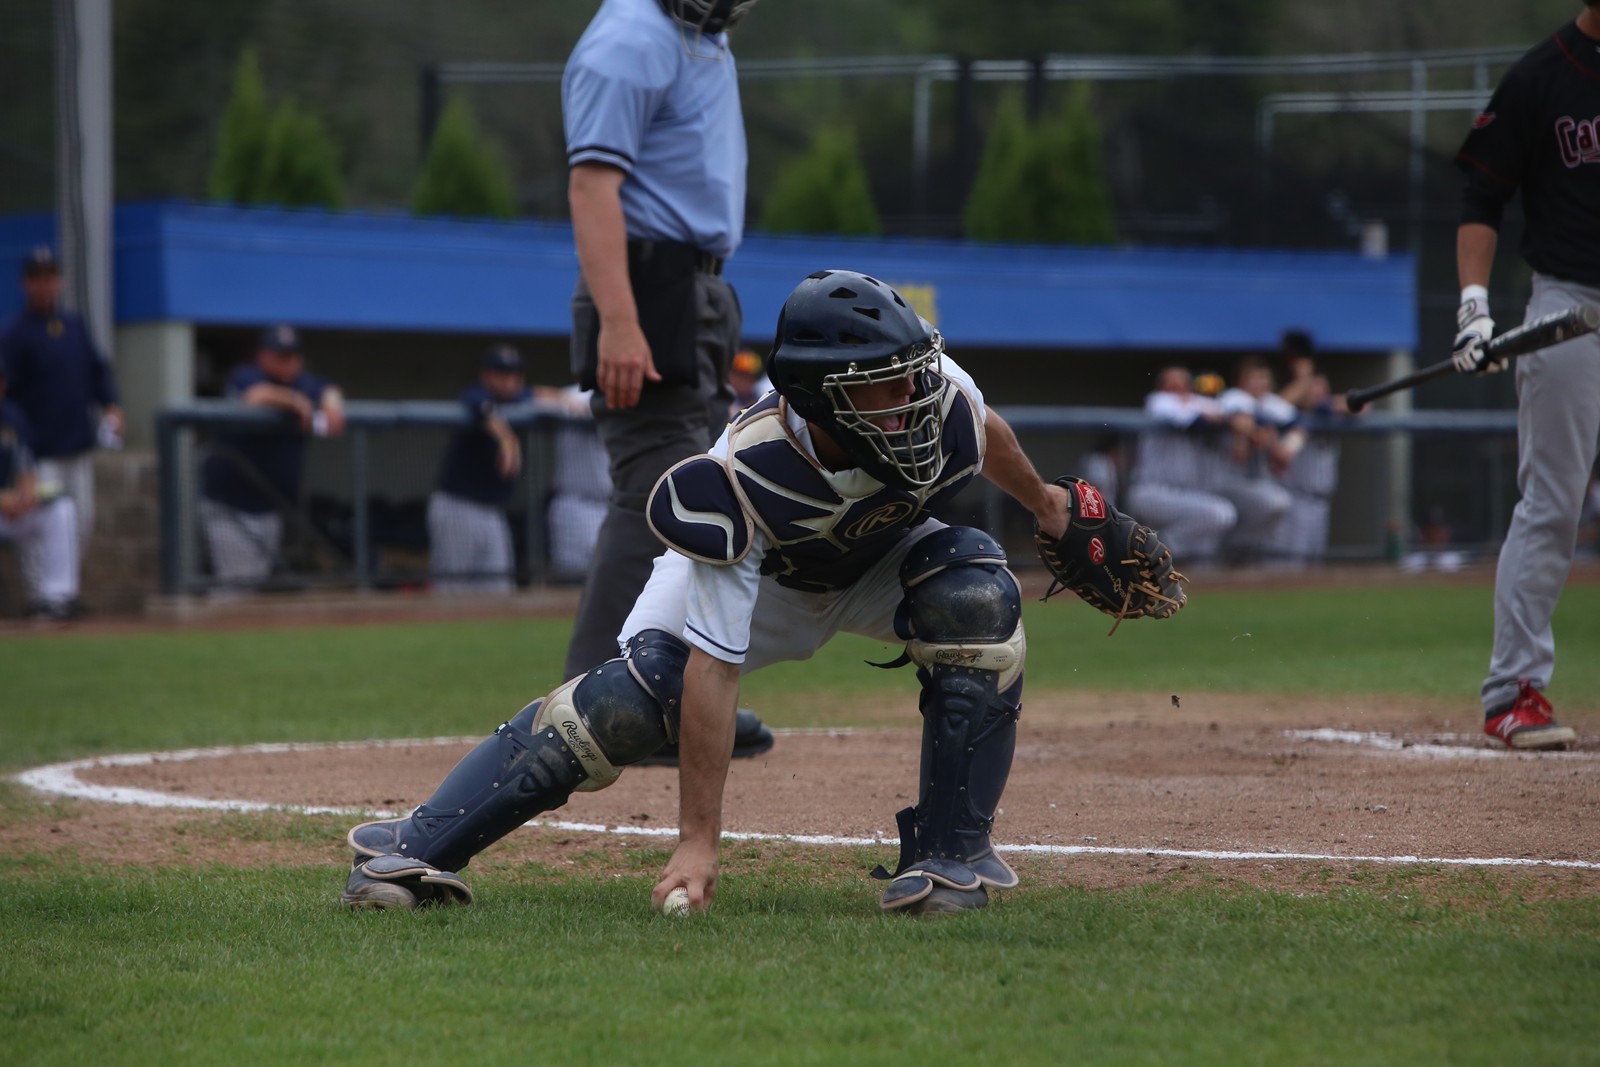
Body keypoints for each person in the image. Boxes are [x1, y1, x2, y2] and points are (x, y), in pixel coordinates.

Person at [339, 269, 1102, 917]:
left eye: (915, 370)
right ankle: (414, 845)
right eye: (884, 383)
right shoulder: (743, 477)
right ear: (821, 397)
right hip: (766, 584)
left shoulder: (931, 391)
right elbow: (714, 668)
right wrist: (699, 839)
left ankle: (949, 858)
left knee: (975, 588)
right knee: (637, 702)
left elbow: (982, 421)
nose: (913, 392)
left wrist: (1046, 505)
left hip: (866, 564)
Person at [562, 0, 772, 760]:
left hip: (693, 285)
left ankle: (651, 693)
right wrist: (621, 321)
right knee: (663, 498)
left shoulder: (695, 36)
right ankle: (597, 698)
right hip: (650, 285)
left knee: (681, 494)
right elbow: (592, 185)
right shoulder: (632, 34)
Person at [1448, 2, 1600, 749]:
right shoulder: (1542, 77)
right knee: (1554, 502)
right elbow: (1483, 197)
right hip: (1571, 307)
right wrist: (1474, 307)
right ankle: (1512, 691)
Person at [0, 246, 121, 613]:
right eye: (38, 278)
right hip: (38, 449)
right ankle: (41, 596)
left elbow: (98, 370)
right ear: (26, 284)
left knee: (78, 520)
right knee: (43, 518)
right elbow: (9, 395)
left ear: (60, 281)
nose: (46, 285)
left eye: (51, 277)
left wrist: (111, 406)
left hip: (77, 444)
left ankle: (61, 594)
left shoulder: (74, 325)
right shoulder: (16, 334)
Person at [198, 325, 345, 592]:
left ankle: (224, 630)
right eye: (281, 355)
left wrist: (332, 402)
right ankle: (216, 631)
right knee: (236, 587)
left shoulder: (302, 383)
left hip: (269, 508)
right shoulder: (245, 376)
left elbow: (327, 387)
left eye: (293, 355)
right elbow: (255, 395)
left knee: (249, 586)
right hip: (230, 506)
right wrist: (293, 401)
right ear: (263, 356)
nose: (289, 362)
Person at [428, 344, 534, 595]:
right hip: (457, 507)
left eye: (514, 374)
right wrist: (508, 439)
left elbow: (539, 394)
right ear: (486, 375)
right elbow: (481, 405)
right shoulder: (474, 396)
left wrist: (564, 399)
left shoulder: (519, 399)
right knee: (452, 591)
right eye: (501, 373)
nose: (509, 381)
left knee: (500, 590)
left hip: (492, 513)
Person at [1124, 366, 1236, 565]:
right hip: (1153, 491)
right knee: (1221, 514)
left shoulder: (1196, 402)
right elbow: (1198, 420)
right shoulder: (1158, 401)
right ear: (1161, 386)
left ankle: (1156, 552)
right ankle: (1153, 550)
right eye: (1171, 382)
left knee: (1206, 544)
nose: (1177, 386)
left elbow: (1226, 414)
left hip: (1184, 493)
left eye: (1182, 381)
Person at [0, 361, 81, 620]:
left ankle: (56, 598)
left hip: (10, 512)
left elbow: (26, 468)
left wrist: (27, 492)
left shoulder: (11, 417)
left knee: (61, 509)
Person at [1209, 356, 1295, 563]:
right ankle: (1233, 549)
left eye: (1263, 378)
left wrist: (1283, 446)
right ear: (1241, 382)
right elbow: (1241, 420)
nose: (1260, 383)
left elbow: (1299, 423)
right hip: (1224, 478)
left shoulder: (1271, 402)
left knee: (1275, 506)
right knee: (1274, 502)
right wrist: (1260, 436)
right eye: (1254, 378)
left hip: (1253, 480)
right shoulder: (1233, 396)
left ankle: (1239, 553)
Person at [728, 349, 773, 416]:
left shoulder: (764, 397)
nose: (744, 381)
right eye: (740, 375)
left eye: (748, 376)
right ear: (730, 375)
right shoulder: (722, 400)